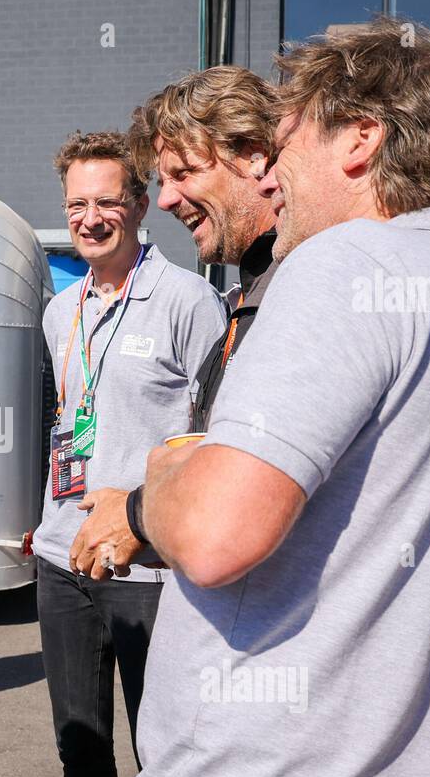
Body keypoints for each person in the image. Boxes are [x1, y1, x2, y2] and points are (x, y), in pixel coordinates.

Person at [96, 18, 430, 777]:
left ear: (361, 138)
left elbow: (214, 536)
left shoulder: (345, 264)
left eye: (285, 141)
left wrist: (155, 487)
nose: (274, 174)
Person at [32, 130, 226, 777]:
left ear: (140, 204)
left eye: (107, 201)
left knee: (163, 754)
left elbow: (215, 442)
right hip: (63, 560)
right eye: (76, 204)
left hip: (147, 569)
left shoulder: (189, 303)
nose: (90, 218)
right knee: (78, 747)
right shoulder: (62, 312)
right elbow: (70, 426)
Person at [70, 67, 281, 579]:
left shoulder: (299, 291)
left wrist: (142, 513)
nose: (167, 199)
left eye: (183, 173)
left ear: (255, 155)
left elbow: (258, 488)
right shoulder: (257, 288)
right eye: (163, 181)